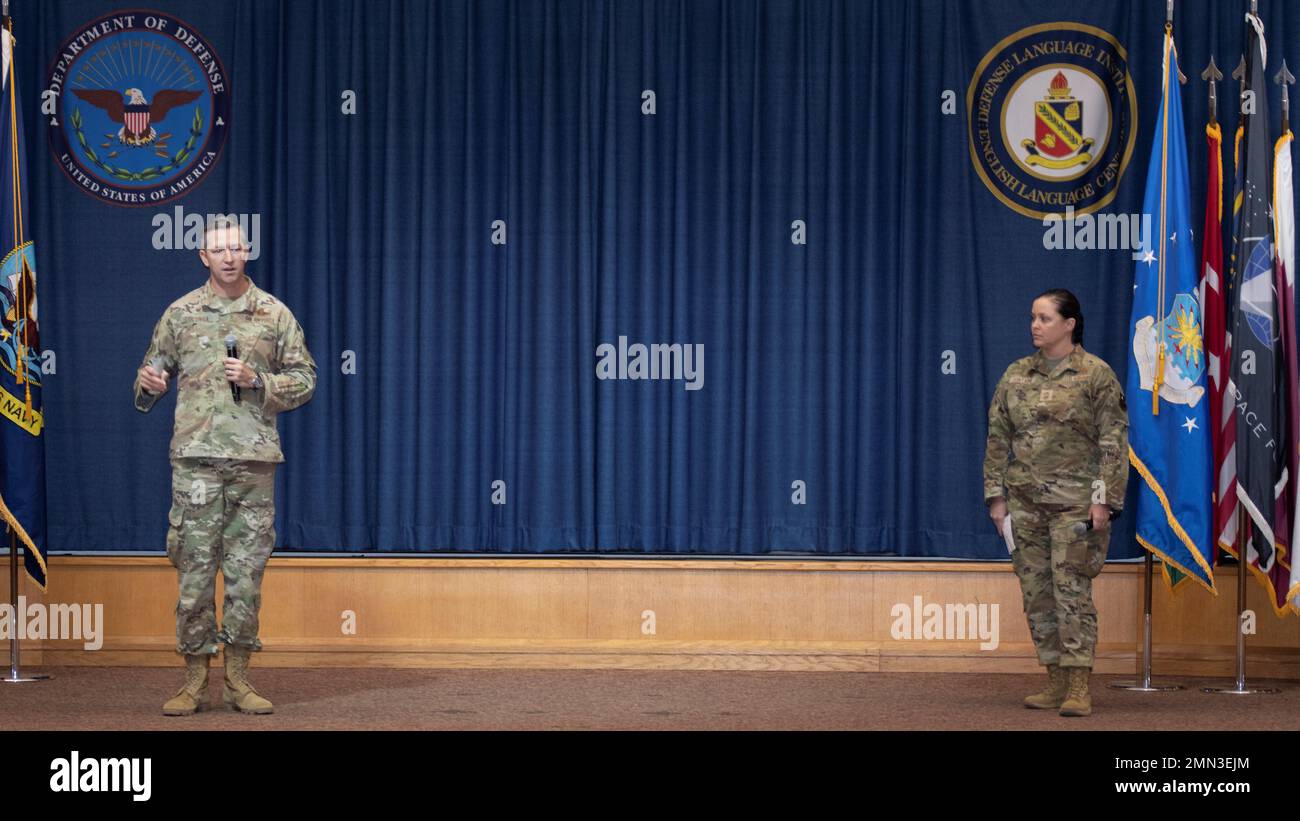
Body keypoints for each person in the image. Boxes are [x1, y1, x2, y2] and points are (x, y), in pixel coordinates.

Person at [134, 214, 316, 715]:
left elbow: (306, 379)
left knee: (245, 576)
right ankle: (193, 682)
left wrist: (262, 380)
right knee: (194, 573)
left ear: (247, 252)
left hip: (253, 463)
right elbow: (150, 374)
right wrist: (148, 388)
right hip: (195, 462)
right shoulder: (181, 313)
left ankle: (238, 679)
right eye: (220, 250)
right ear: (204, 257)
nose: (230, 257)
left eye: (237, 248)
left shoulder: (273, 314)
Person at [983, 289, 1128, 717]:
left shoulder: (1095, 375)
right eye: (1033, 317)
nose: (1035, 325)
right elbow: (997, 438)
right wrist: (996, 497)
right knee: (1037, 595)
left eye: (1045, 318)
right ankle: (1054, 680)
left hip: (1076, 507)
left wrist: (1103, 503)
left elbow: (1113, 443)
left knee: (1072, 594)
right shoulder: (1016, 374)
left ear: (1069, 324)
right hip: (1025, 506)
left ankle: (1079, 686)